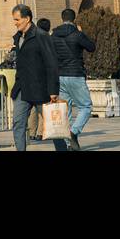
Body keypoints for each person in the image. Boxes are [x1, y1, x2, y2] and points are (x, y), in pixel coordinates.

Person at [9, 4, 59, 152]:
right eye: (14, 19)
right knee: (18, 123)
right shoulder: (18, 37)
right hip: (22, 88)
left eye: (17, 19)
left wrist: (53, 90)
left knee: (53, 126)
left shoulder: (41, 36)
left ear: (27, 19)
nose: (15, 22)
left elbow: (52, 64)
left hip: (40, 89)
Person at [49, 8, 95, 150]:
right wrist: (81, 32)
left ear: (62, 18)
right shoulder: (77, 34)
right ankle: (73, 132)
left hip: (60, 76)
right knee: (86, 107)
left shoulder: (53, 35)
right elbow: (91, 47)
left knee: (66, 110)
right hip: (75, 74)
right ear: (74, 19)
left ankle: (69, 144)